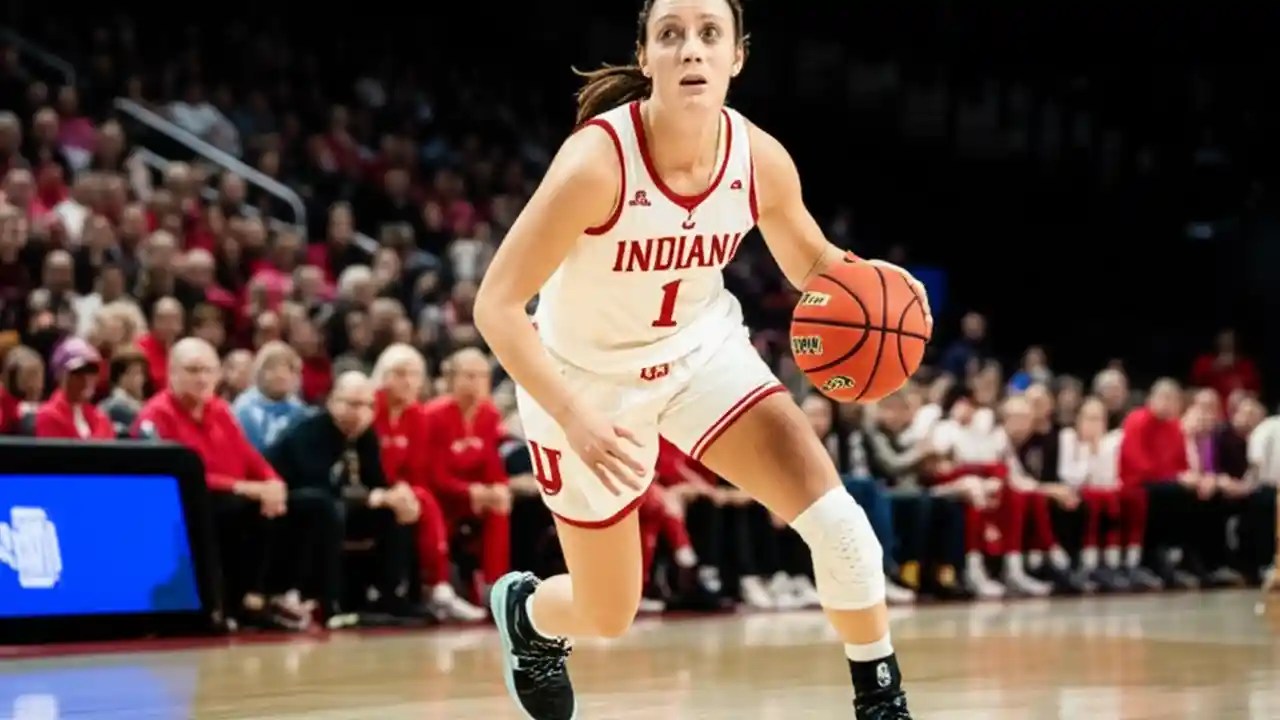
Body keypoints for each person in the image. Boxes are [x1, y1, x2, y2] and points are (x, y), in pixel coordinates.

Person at [472, 1, 928, 717]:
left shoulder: (760, 160)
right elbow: (495, 307)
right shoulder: (596, 162)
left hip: (700, 354)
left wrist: (886, 291)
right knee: (608, 612)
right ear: (646, 55)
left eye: (709, 34)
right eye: (672, 35)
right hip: (583, 385)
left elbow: (814, 264)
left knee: (840, 524)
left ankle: (882, 699)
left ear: (737, 56)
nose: (692, 50)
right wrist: (578, 417)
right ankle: (528, 616)